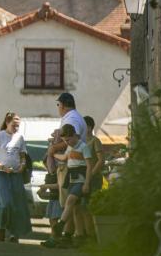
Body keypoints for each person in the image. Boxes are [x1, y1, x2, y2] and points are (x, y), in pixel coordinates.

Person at [42, 123, 97, 249]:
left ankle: (61, 225)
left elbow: (89, 166)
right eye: (65, 140)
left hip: (81, 179)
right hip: (72, 179)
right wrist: (53, 154)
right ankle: (78, 236)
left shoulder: (83, 147)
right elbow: (65, 157)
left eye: (68, 140)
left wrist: (87, 183)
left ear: (74, 136)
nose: (67, 143)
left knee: (70, 200)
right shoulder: (69, 147)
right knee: (75, 209)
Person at [0, 112, 33, 242]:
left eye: (18, 125)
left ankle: (14, 233)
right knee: (4, 203)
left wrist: (22, 165)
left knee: (17, 204)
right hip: (1, 173)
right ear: (7, 123)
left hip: (16, 174)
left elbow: (23, 156)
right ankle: (1, 229)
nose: (16, 128)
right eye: (14, 125)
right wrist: (3, 167)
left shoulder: (20, 137)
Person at [50, 93, 87, 244]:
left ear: (63, 105)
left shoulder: (72, 118)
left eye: (58, 105)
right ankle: (72, 235)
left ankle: (66, 235)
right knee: (72, 204)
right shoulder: (72, 117)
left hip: (73, 168)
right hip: (71, 164)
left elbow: (71, 138)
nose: (58, 108)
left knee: (68, 203)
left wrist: (54, 148)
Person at [82, 116, 105, 241]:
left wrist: (91, 175)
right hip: (82, 178)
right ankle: (86, 234)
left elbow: (101, 160)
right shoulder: (80, 141)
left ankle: (93, 236)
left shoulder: (95, 141)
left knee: (91, 206)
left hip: (93, 178)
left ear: (89, 127)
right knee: (83, 207)